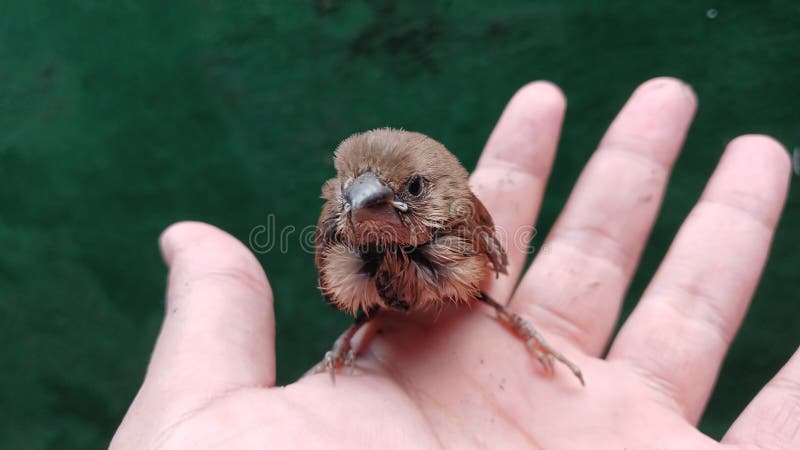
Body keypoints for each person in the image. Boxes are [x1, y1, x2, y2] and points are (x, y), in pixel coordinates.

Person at [110, 78, 797, 449]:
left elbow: (479, 270)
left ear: (436, 193)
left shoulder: (465, 223)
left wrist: (517, 321)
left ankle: (512, 325)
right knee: (361, 304)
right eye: (352, 192)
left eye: (403, 192)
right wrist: (353, 335)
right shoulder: (341, 236)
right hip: (383, 341)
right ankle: (358, 342)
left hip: (465, 296)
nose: (363, 204)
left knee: (473, 297)